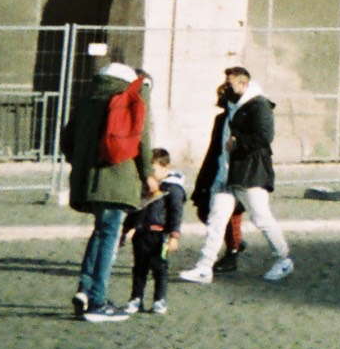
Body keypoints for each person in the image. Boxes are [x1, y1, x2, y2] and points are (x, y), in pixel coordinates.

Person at [182, 66, 294, 284]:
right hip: (226, 175)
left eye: (230, 83)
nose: (225, 87)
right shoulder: (233, 107)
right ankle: (204, 266)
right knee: (216, 219)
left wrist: (238, 142)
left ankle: (283, 259)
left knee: (261, 218)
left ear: (243, 83)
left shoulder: (259, 105)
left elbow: (264, 137)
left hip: (249, 174)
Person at [67, 58, 152, 323]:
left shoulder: (89, 97)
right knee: (109, 237)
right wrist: (147, 174)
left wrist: (83, 163)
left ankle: (85, 290)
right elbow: (142, 139)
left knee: (100, 233)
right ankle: (98, 301)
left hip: (88, 180)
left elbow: (67, 139)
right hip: (118, 178)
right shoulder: (133, 94)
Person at [124, 160, 185, 315]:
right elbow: (136, 209)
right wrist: (125, 230)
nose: (150, 174)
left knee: (160, 268)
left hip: (160, 235)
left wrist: (174, 235)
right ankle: (136, 298)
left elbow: (176, 213)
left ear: (166, 167)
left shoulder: (172, 189)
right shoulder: (146, 186)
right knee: (139, 268)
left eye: (153, 170)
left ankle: (159, 300)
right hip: (141, 234)